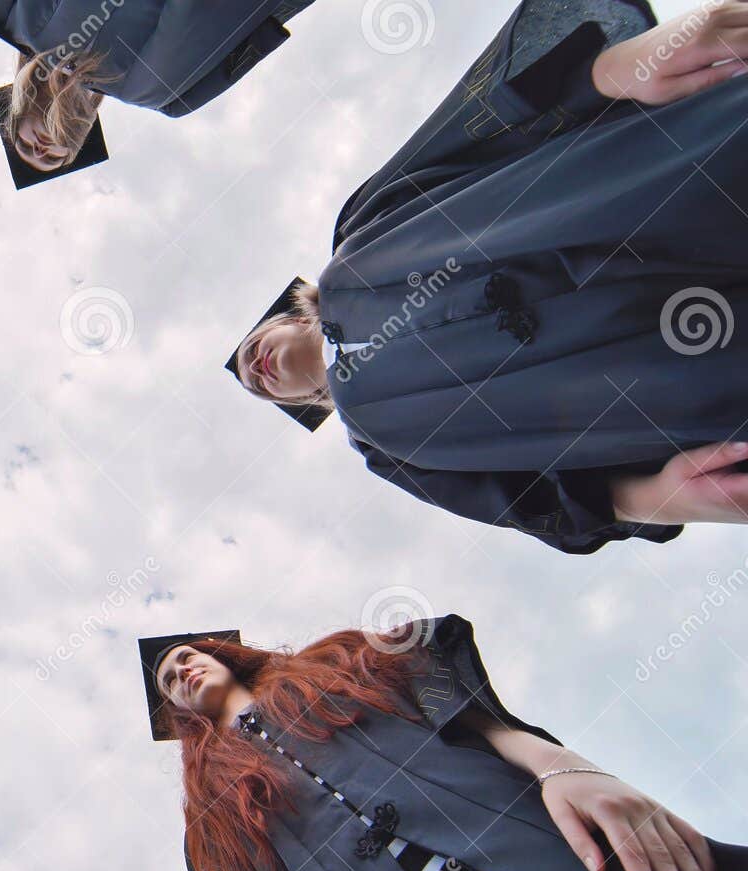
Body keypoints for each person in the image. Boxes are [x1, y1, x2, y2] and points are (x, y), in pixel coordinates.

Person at [224, 0, 748, 553]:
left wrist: (613, 71)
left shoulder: (359, 239)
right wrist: (654, 498)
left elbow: (487, 129)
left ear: (280, 319)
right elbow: (523, 502)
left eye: (250, 348)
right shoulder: (387, 447)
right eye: (256, 386)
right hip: (683, 375)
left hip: (667, 185)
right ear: (301, 401)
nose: (255, 369)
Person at [139, 615, 748, 871]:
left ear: (223, 654)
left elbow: (444, 691)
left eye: (189, 655)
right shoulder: (211, 817)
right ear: (176, 712)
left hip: (537, 844)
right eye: (169, 678)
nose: (183, 669)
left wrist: (560, 765)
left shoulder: (340, 665)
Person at [0, 1, 317, 171]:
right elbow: (260, 27)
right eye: (51, 158)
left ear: (18, 114)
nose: (40, 149)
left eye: (27, 147)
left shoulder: (9, 15)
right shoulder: (160, 95)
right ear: (79, 139)